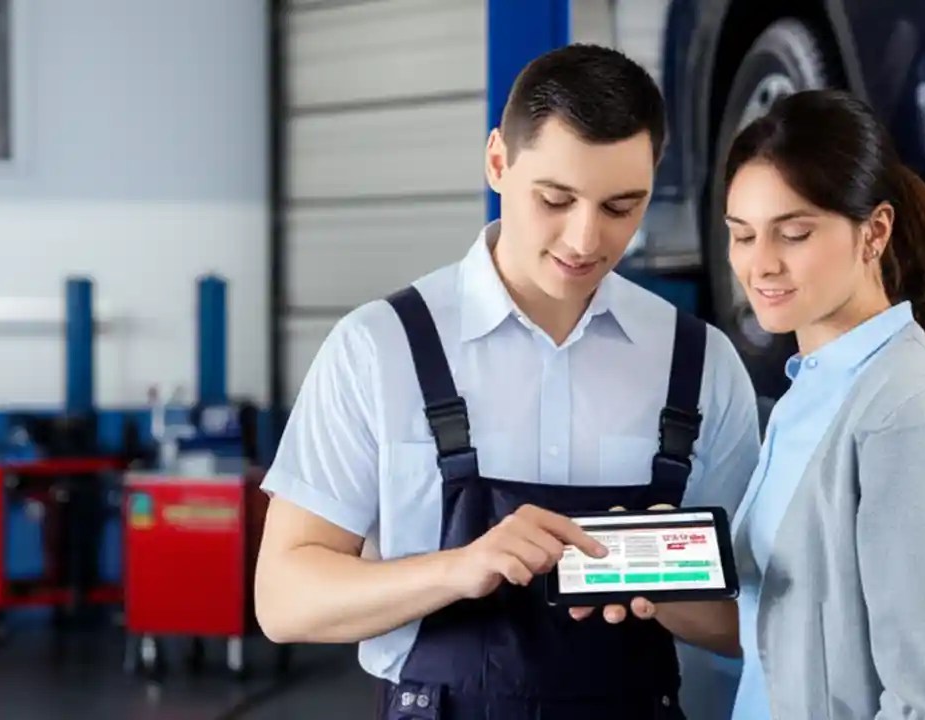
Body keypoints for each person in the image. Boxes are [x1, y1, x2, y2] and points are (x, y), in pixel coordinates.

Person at [254, 44, 763, 719]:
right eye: (555, 199)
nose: (584, 239)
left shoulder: (698, 364)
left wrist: (668, 588)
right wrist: (455, 569)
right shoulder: (380, 350)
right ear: (498, 161)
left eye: (621, 206)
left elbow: (753, 620)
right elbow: (284, 599)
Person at [576, 88, 925, 718]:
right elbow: (781, 629)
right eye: (742, 236)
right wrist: (647, 576)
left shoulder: (912, 417)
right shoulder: (812, 390)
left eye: (794, 233)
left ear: (874, 232)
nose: (761, 265)